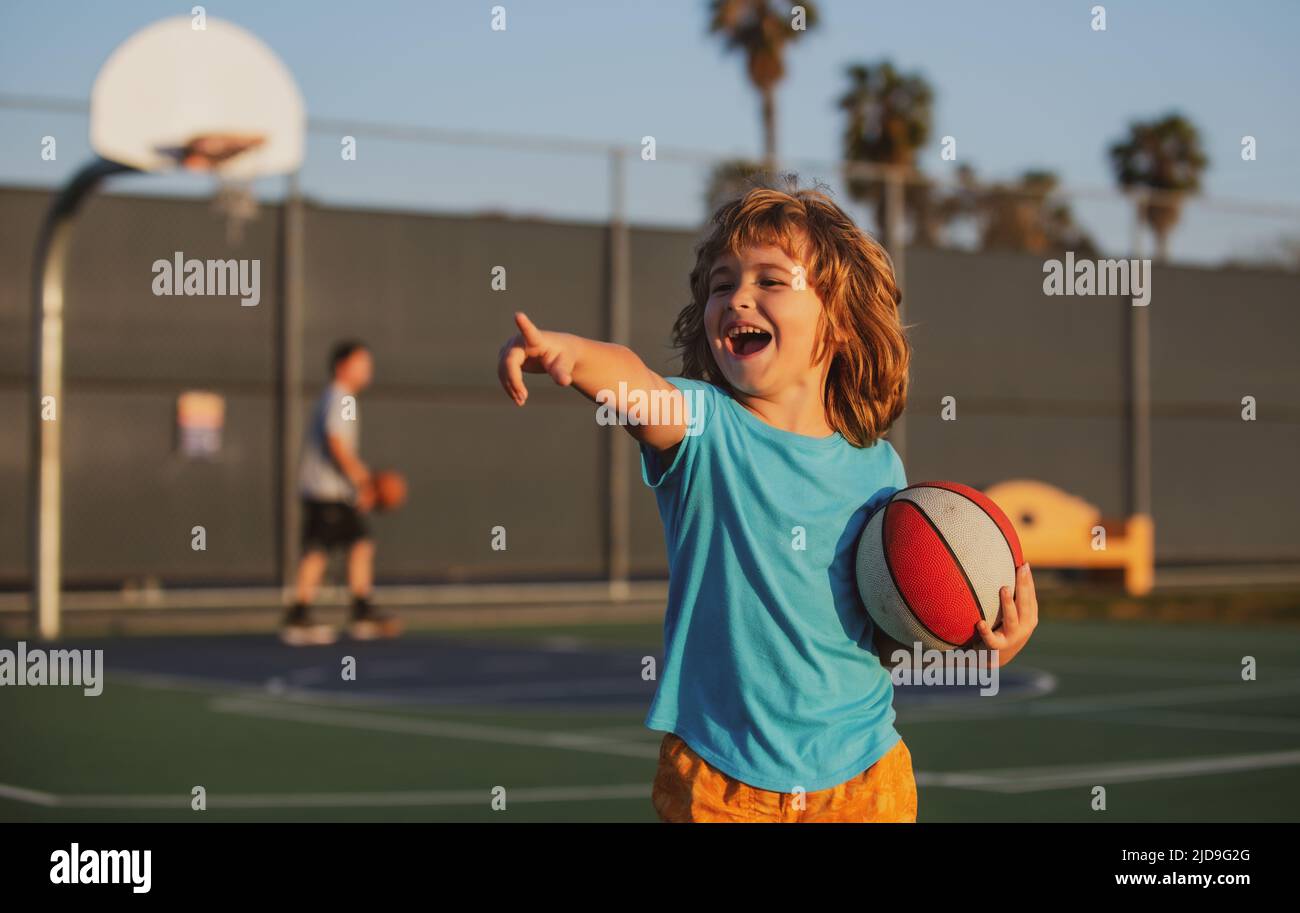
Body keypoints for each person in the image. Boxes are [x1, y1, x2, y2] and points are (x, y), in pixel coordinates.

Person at [495, 179, 1038, 822]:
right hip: (721, 781)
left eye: (771, 281)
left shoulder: (880, 471)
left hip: (863, 778)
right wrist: (572, 355)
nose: (737, 298)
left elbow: (882, 636)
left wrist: (974, 648)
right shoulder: (703, 426)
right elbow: (635, 382)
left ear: (840, 320)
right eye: (721, 284)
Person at [283, 340, 401, 645]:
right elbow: (335, 444)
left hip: (333, 491)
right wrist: (364, 481)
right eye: (361, 364)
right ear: (342, 366)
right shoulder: (340, 397)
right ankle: (299, 615)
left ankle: (360, 610)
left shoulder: (339, 397)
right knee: (319, 550)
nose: (367, 370)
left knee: (359, 543)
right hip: (325, 491)